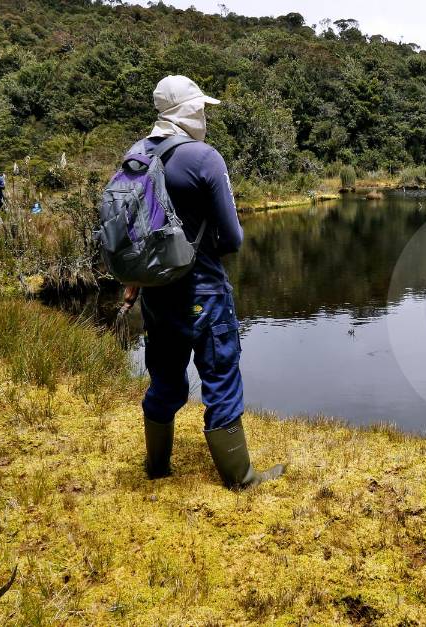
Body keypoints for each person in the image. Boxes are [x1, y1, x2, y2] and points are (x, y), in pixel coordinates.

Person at [123, 75, 284, 489]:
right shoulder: (204, 158)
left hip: (156, 291)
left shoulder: (136, 154)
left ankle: (157, 467)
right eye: (201, 109)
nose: (205, 116)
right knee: (221, 375)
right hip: (203, 290)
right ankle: (241, 478)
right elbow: (233, 239)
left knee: (165, 378)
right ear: (190, 110)